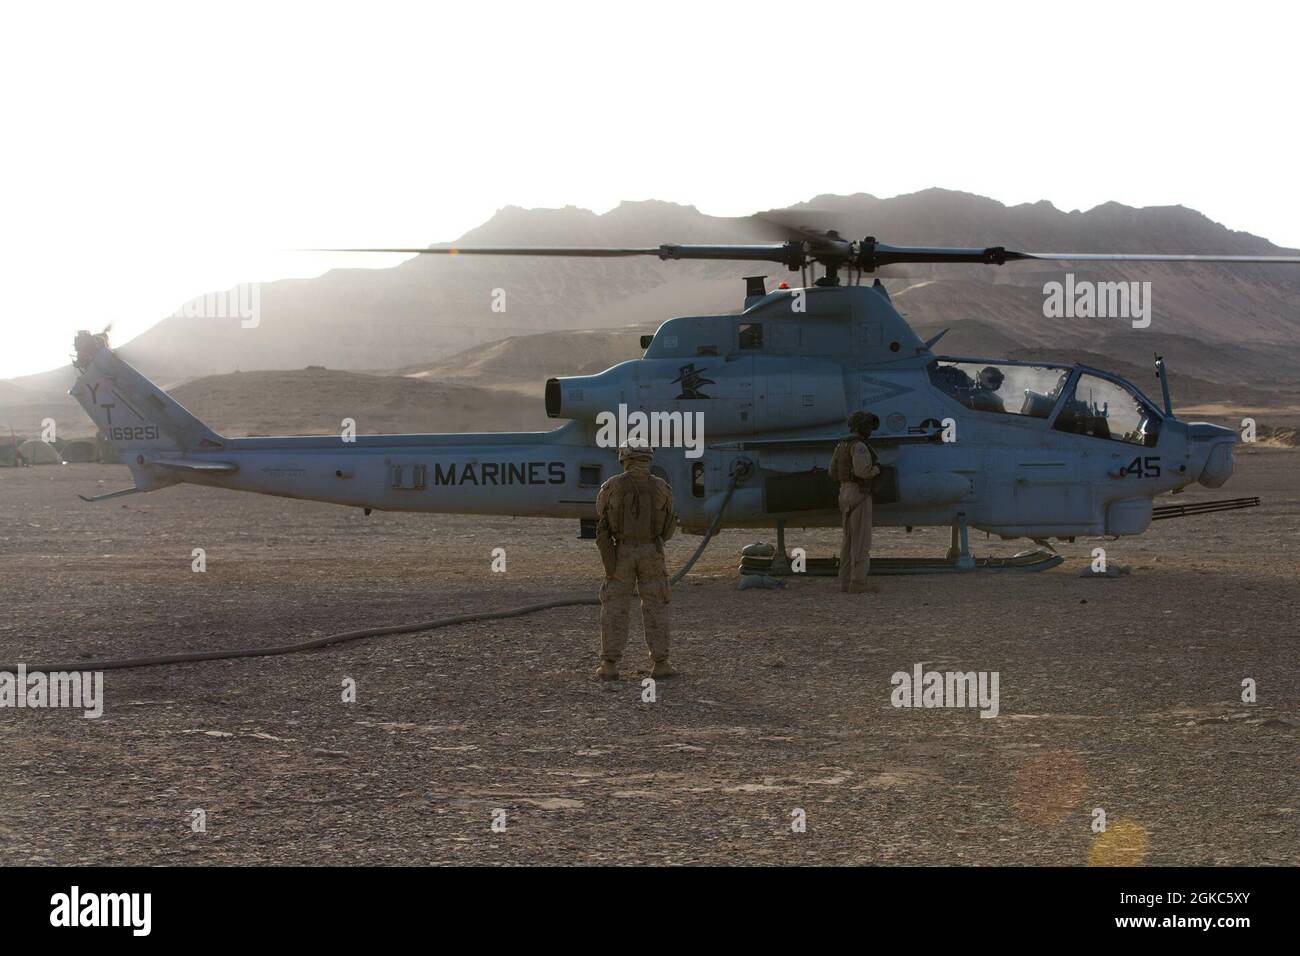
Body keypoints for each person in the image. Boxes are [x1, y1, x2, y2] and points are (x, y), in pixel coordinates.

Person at [594, 442, 677, 681]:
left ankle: (609, 664)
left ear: (624, 459)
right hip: (652, 551)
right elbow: (669, 523)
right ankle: (660, 663)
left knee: (615, 606)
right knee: (655, 605)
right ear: (648, 459)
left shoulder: (611, 486)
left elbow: (602, 519)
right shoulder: (662, 487)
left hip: (622, 553)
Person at [828, 411, 881, 593]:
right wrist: (876, 470)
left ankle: (845, 581)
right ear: (861, 426)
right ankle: (858, 583)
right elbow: (862, 472)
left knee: (848, 539)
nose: (870, 430)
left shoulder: (842, 444)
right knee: (861, 540)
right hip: (859, 493)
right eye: (868, 426)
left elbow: (832, 472)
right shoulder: (859, 446)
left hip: (844, 493)